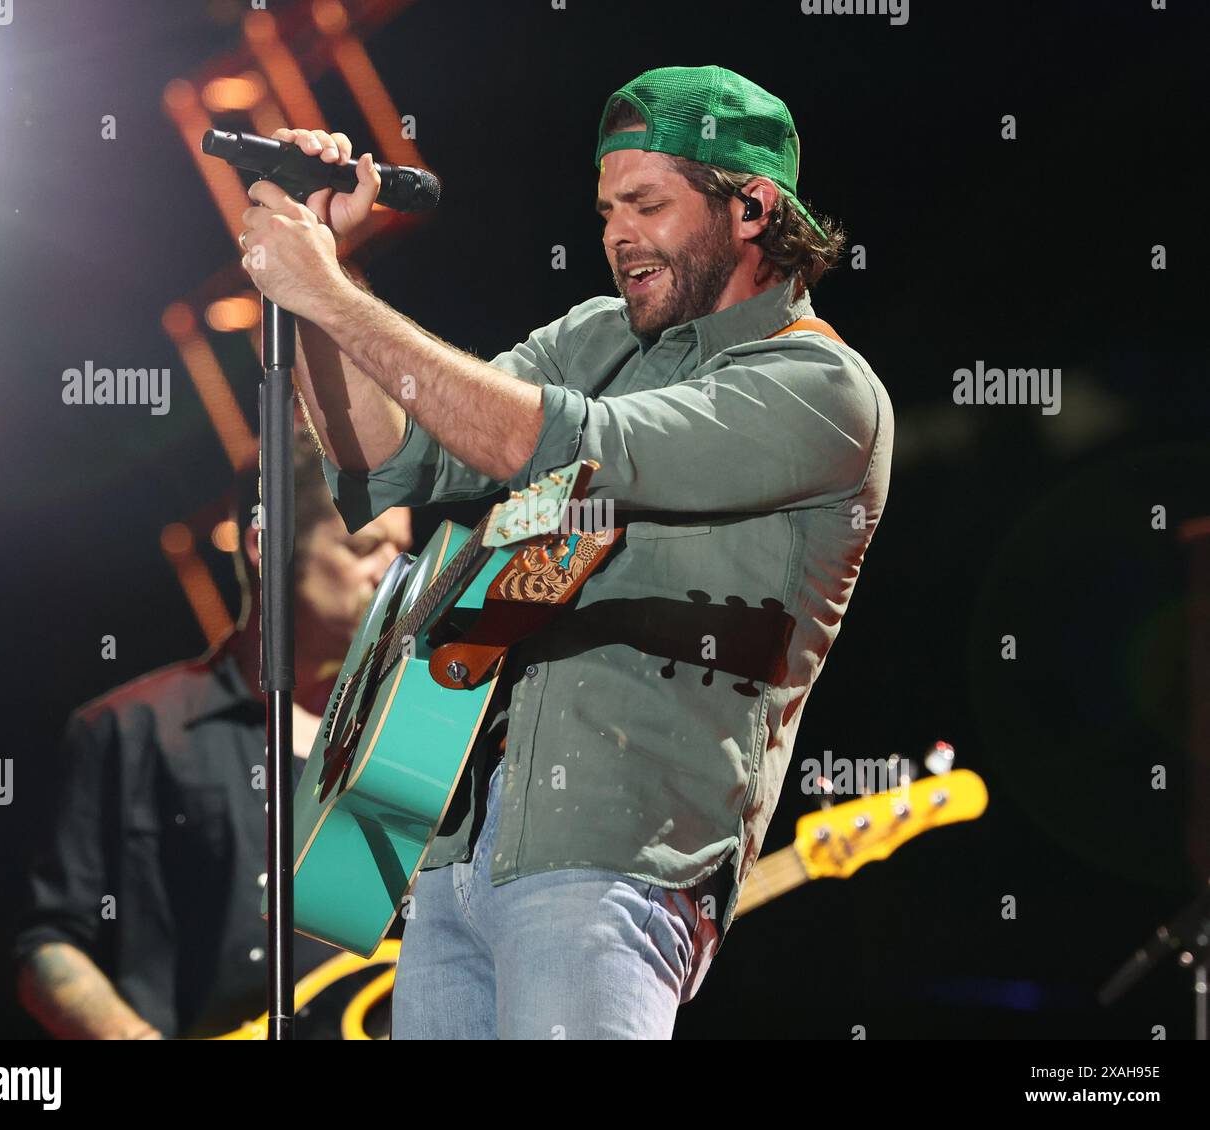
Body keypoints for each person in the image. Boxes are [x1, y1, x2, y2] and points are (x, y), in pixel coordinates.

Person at [237, 64, 894, 1039]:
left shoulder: (821, 389)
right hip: (446, 846)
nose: (615, 233)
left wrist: (331, 298)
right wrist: (331, 263)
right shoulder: (597, 333)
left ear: (751, 209)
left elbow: (567, 448)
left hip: (611, 852)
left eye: (647, 204)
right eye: (603, 209)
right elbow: (396, 456)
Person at [13, 430, 412, 1039]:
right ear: (267, 547)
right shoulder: (129, 729)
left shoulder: (406, 738)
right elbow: (50, 945)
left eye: (403, 551)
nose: (394, 573)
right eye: (365, 547)